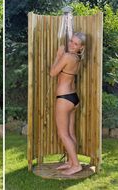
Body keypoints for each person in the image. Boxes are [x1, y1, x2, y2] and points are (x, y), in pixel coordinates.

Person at [50, 32, 86, 175]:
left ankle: (76, 165)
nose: (71, 44)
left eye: (75, 44)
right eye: (71, 41)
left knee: (63, 134)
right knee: (70, 133)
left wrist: (58, 55)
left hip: (64, 98)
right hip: (73, 98)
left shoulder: (66, 56)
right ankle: (71, 161)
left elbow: (53, 73)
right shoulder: (77, 58)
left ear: (81, 47)